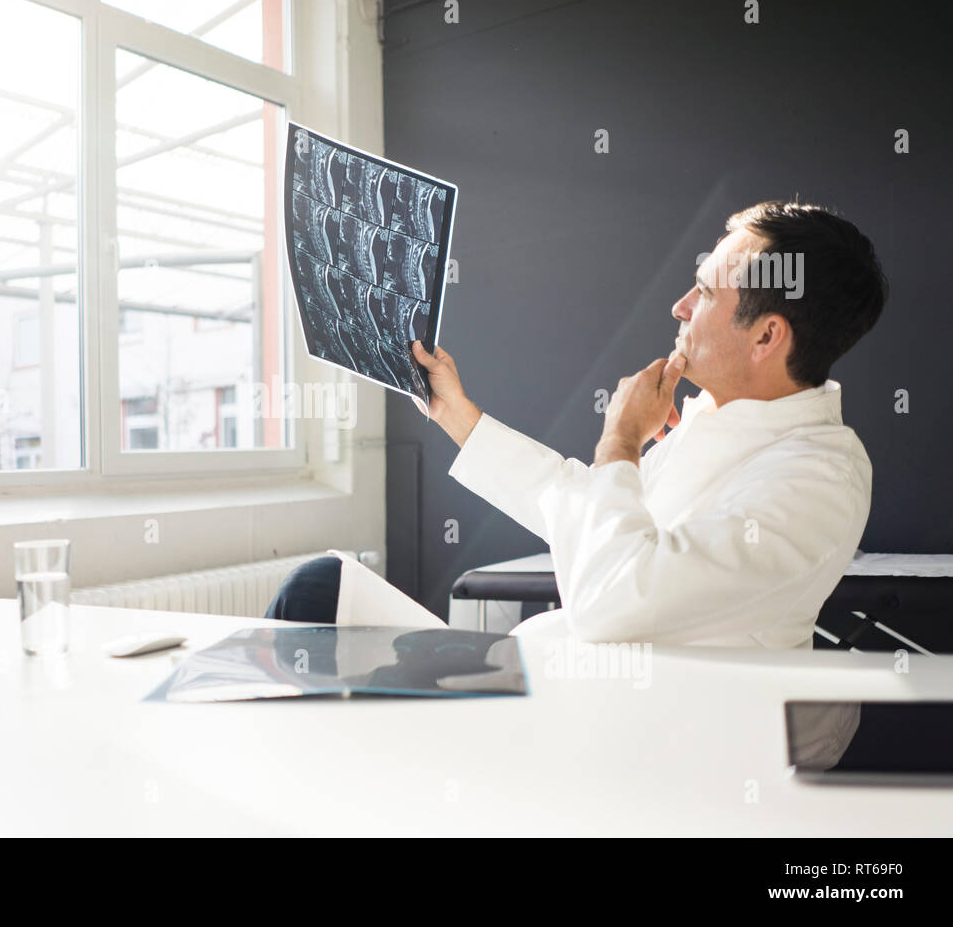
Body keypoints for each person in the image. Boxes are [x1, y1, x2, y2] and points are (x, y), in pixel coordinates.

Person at [267, 201, 889, 647]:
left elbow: (615, 600)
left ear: (766, 337)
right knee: (320, 587)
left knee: (316, 608)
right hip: (550, 681)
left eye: (702, 293)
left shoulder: (819, 475)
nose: (680, 307)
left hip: (613, 725)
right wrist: (456, 414)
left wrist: (620, 442)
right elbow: (586, 512)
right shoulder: (713, 421)